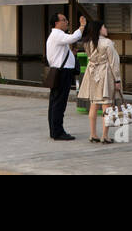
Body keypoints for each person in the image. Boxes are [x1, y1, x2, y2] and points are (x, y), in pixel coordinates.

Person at [46, 12, 87, 141]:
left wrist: (71, 53)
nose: (66, 22)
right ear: (56, 23)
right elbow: (73, 38)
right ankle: (58, 132)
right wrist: (82, 26)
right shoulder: (58, 34)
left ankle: (54, 130)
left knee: (55, 102)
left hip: (59, 72)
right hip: (62, 72)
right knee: (59, 103)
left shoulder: (55, 36)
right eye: (64, 20)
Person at [81, 20, 123, 143]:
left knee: (93, 104)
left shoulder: (88, 43)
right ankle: (105, 135)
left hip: (93, 74)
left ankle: (93, 134)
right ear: (99, 29)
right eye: (104, 27)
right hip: (105, 75)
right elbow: (114, 63)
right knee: (107, 105)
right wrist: (117, 79)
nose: (106, 29)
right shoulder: (107, 43)